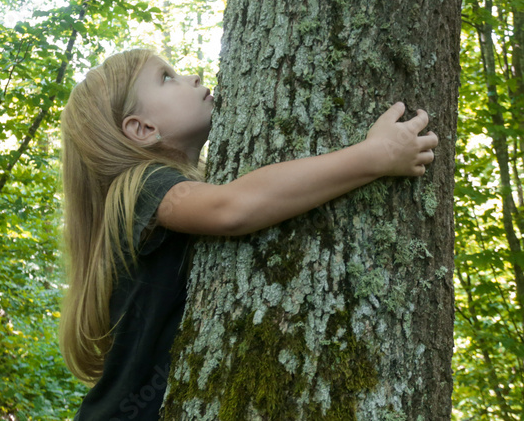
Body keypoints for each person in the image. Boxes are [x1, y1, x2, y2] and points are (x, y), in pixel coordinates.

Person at [58, 48, 438, 420]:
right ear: (142, 129)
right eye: (166, 78)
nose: (192, 77)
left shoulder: (171, 191)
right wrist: (375, 155)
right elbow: (233, 208)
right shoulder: (141, 186)